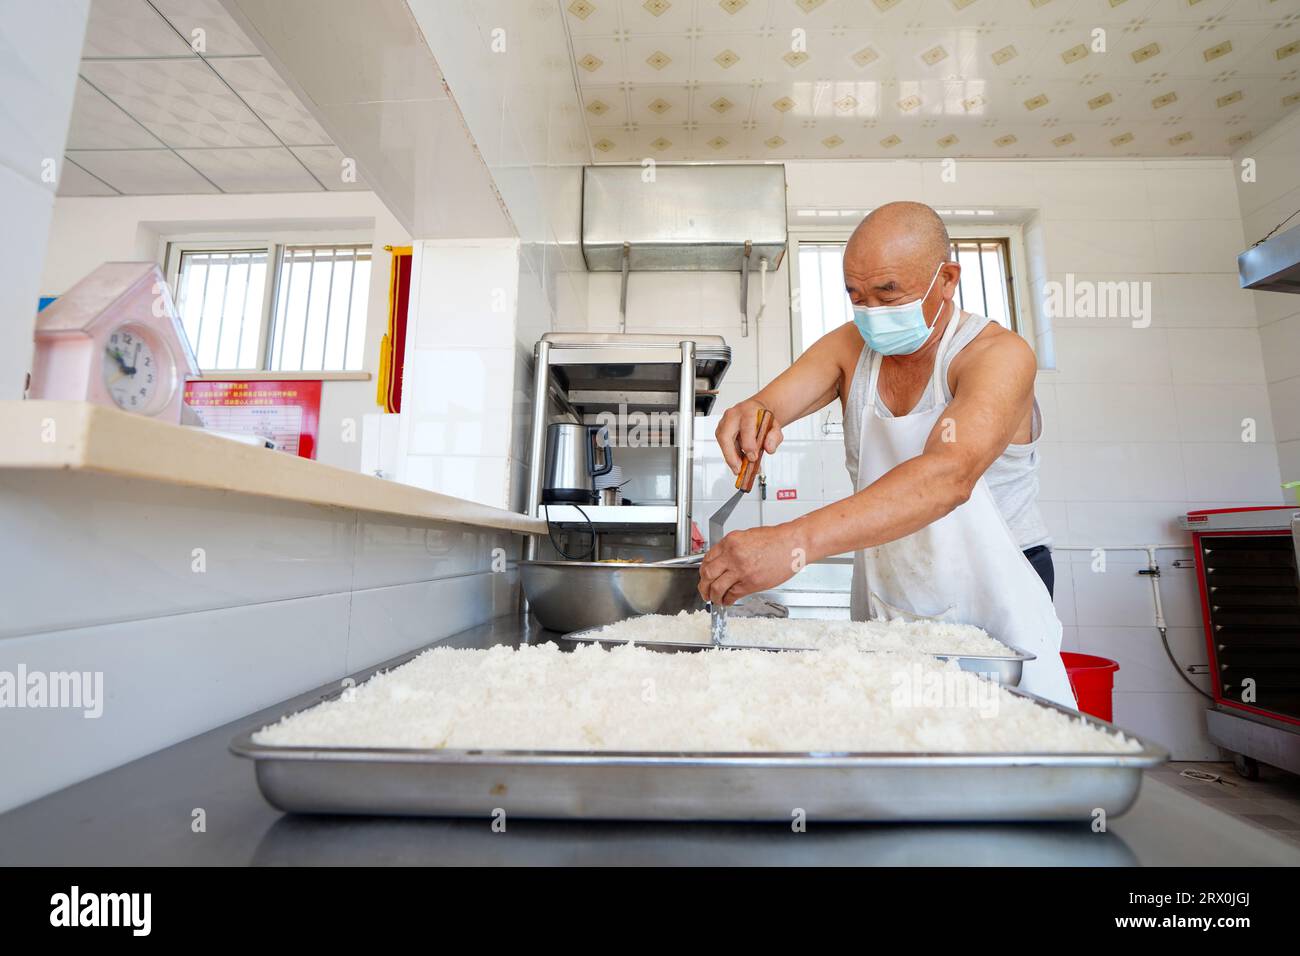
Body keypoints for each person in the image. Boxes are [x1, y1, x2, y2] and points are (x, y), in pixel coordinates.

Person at [698, 201, 1074, 705]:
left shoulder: (998, 357)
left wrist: (794, 542)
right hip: (892, 584)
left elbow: (947, 476)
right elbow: (770, 405)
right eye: (856, 295)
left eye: (888, 292)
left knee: (995, 746)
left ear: (947, 279)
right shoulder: (851, 348)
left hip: (996, 589)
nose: (870, 311)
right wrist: (752, 412)